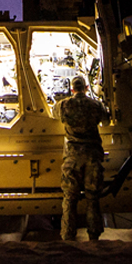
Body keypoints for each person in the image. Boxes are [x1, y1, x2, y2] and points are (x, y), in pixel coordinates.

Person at [54, 75, 109, 241]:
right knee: (92, 198)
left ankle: (68, 236)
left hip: (72, 158)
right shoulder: (95, 105)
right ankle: (94, 236)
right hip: (92, 156)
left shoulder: (64, 105)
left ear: (72, 89)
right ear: (85, 88)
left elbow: (53, 113)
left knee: (70, 199)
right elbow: (106, 122)